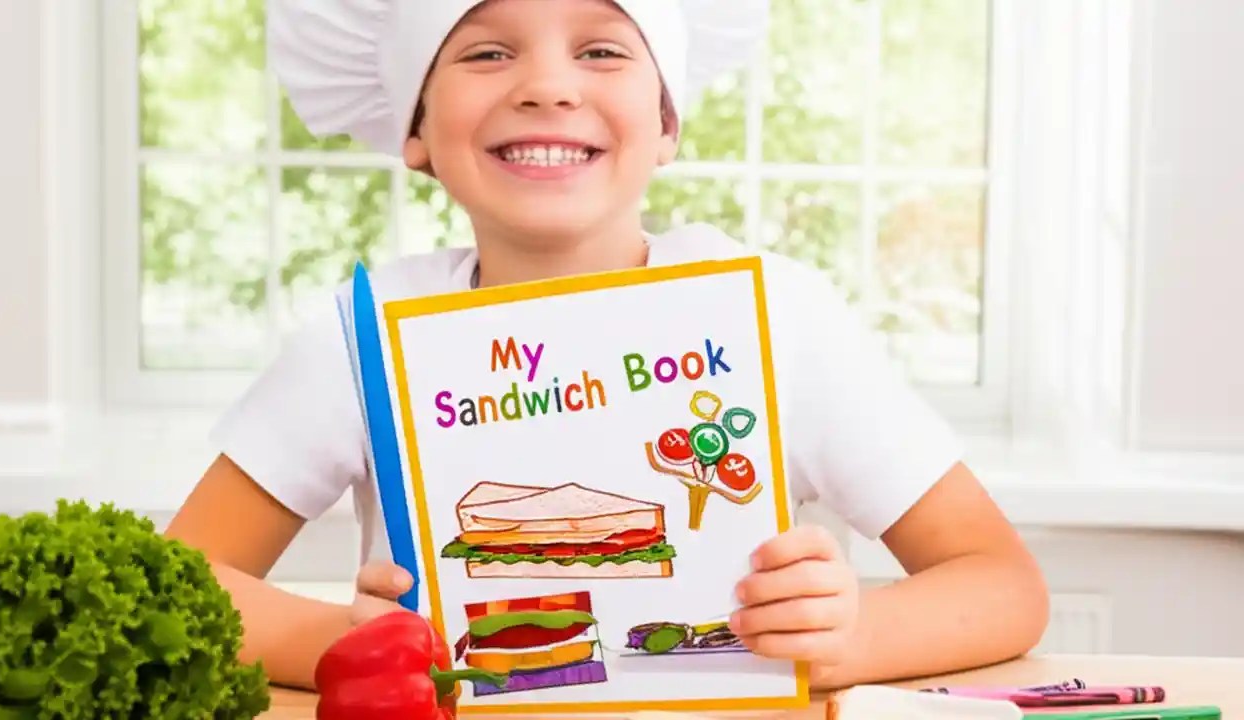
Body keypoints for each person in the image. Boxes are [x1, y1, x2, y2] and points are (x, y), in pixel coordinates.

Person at [165, 0, 1049, 693]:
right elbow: (183, 584)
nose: (548, 86)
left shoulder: (778, 317)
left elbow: (1002, 585)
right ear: (416, 130)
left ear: (667, 125)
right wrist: (344, 644)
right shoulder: (362, 337)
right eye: (485, 51)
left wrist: (857, 633)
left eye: (602, 50)